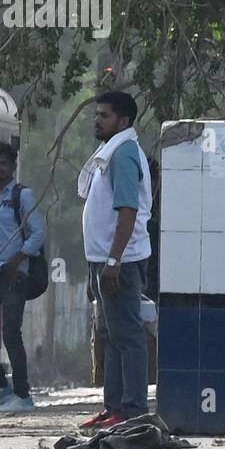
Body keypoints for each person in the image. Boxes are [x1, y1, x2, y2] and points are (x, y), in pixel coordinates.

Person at [78, 91, 153, 430]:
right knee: (110, 335)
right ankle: (113, 407)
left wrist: (114, 260)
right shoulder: (110, 150)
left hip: (118, 260)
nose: (98, 120)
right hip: (103, 258)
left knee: (127, 335)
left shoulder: (123, 154)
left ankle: (133, 409)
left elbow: (127, 211)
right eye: (97, 114)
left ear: (123, 121)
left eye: (104, 115)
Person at [0, 142, 45, 414]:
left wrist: (17, 260)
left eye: (3, 163)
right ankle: (1, 386)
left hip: (15, 275)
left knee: (11, 333)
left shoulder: (22, 195)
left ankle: (23, 395)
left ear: (13, 167)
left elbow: (38, 234)